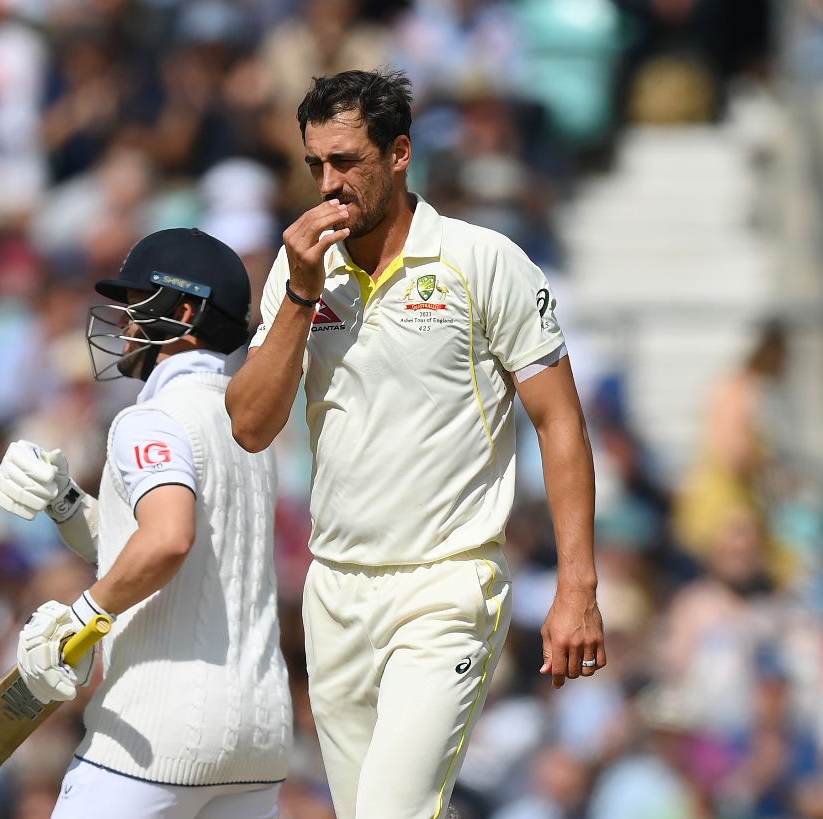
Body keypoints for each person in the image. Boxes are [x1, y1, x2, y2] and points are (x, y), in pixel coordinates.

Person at [225, 68, 605, 819]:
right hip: (335, 588)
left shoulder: (481, 260)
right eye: (316, 166)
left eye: (347, 163)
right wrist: (301, 290)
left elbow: (559, 420)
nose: (329, 185)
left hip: (446, 582)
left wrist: (578, 585)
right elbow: (250, 423)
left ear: (399, 154)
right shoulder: (300, 270)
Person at [0, 228, 292, 818]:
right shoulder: (251, 427)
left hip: (160, 733)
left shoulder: (150, 420)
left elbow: (168, 539)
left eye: (137, 305)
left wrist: (82, 618)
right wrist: (67, 503)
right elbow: (150, 545)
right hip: (262, 738)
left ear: (182, 312)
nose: (124, 323)